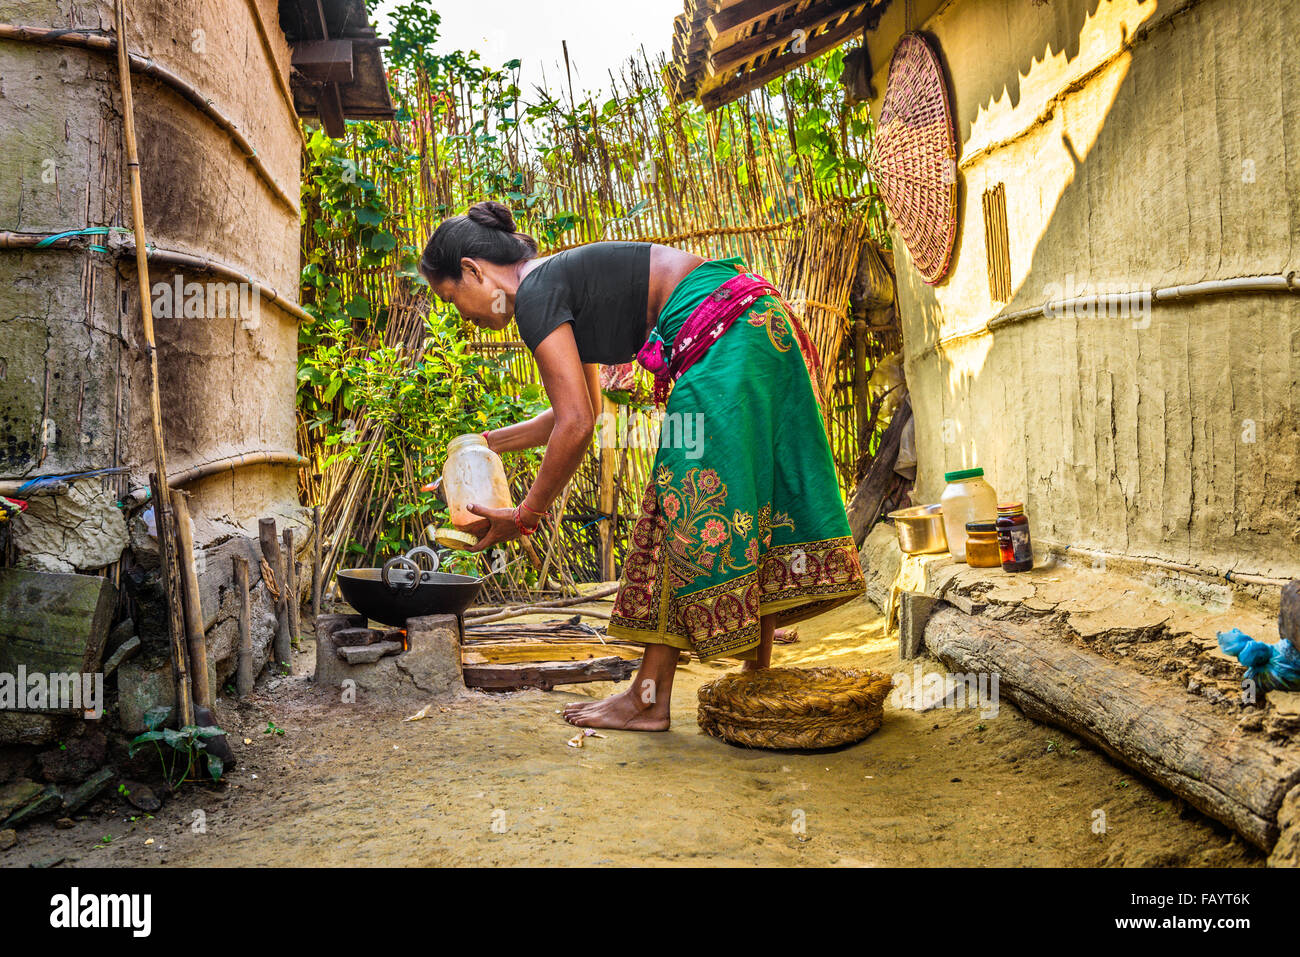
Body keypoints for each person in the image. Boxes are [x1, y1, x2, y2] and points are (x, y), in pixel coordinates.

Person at [420, 201, 866, 731]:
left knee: (682, 510)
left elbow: (576, 426)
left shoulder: (536, 294)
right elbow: (569, 415)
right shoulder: (554, 284)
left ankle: (649, 700)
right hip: (759, 322)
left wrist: (524, 515)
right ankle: (756, 678)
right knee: (753, 498)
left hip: (725, 336)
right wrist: (478, 447)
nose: (462, 314)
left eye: (453, 298)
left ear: (472, 270)